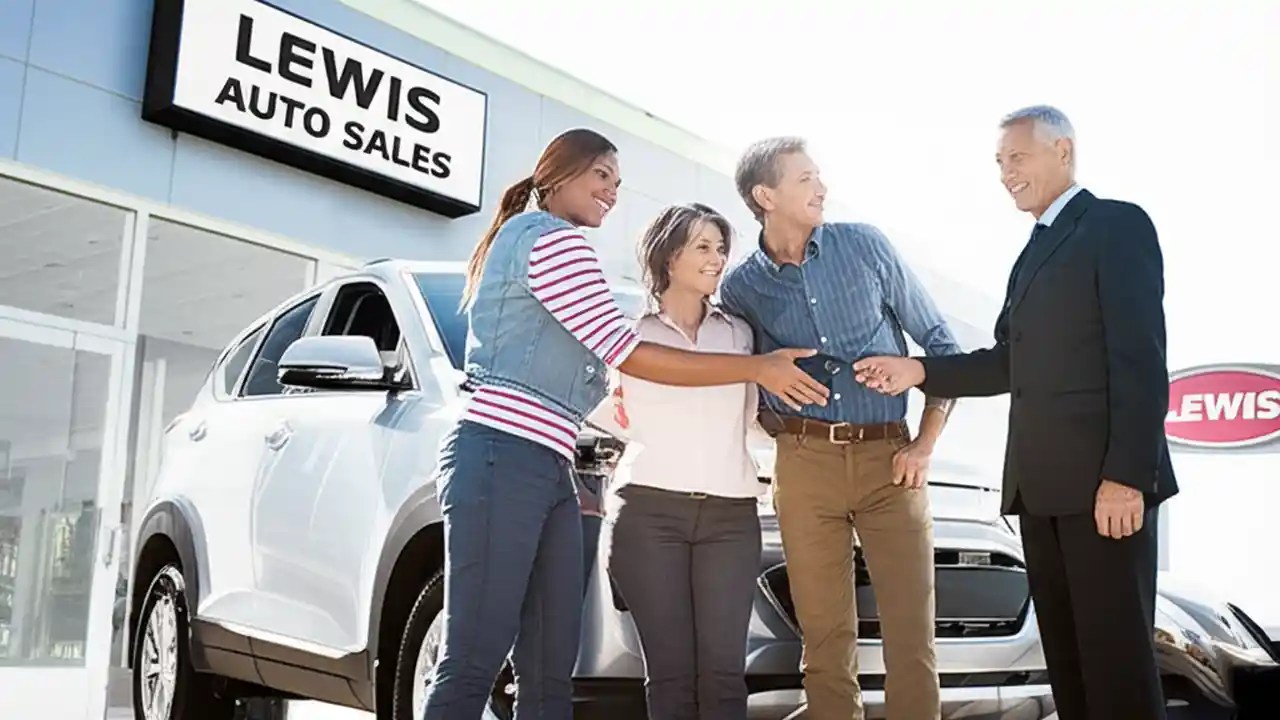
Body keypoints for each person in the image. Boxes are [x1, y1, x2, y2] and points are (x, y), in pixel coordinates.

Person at [422, 128, 829, 720]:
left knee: (548, 670)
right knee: (473, 659)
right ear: (557, 173)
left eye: (616, 181)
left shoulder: (555, 246)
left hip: (551, 467)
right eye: (600, 176)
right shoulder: (550, 240)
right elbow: (624, 351)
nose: (611, 192)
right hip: (499, 453)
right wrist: (757, 368)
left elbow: (602, 393)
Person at [852, 105, 1178, 720]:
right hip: (1040, 489)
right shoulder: (1035, 250)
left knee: (1117, 671)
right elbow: (1008, 363)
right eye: (1000, 162)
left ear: (1064, 151)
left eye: (1018, 158)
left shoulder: (1115, 226)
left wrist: (1127, 477)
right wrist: (919, 370)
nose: (1006, 173)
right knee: (1073, 669)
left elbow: (1140, 359)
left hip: (1103, 490)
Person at [718, 136, 961, 720]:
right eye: (806, 178)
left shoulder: (866, 247)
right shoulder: (741, 289)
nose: (822, 187)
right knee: (824, 642)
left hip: (891, 463)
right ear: (765, 195)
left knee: (911, 637)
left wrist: (924, 445)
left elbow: (942, 350)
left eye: (819, 176)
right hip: (804, 466)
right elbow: (743, 386)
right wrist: (773, 390)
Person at [589, 203, 769, 720]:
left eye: (720, 249)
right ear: (669, 258)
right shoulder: (627, 334)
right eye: (703, 247)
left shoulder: (740, 334)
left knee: (725, 676)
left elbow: (751, 417)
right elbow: (609, 413)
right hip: (648, 514)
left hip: (731, 516)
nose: (717, 260)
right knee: (669, 678)